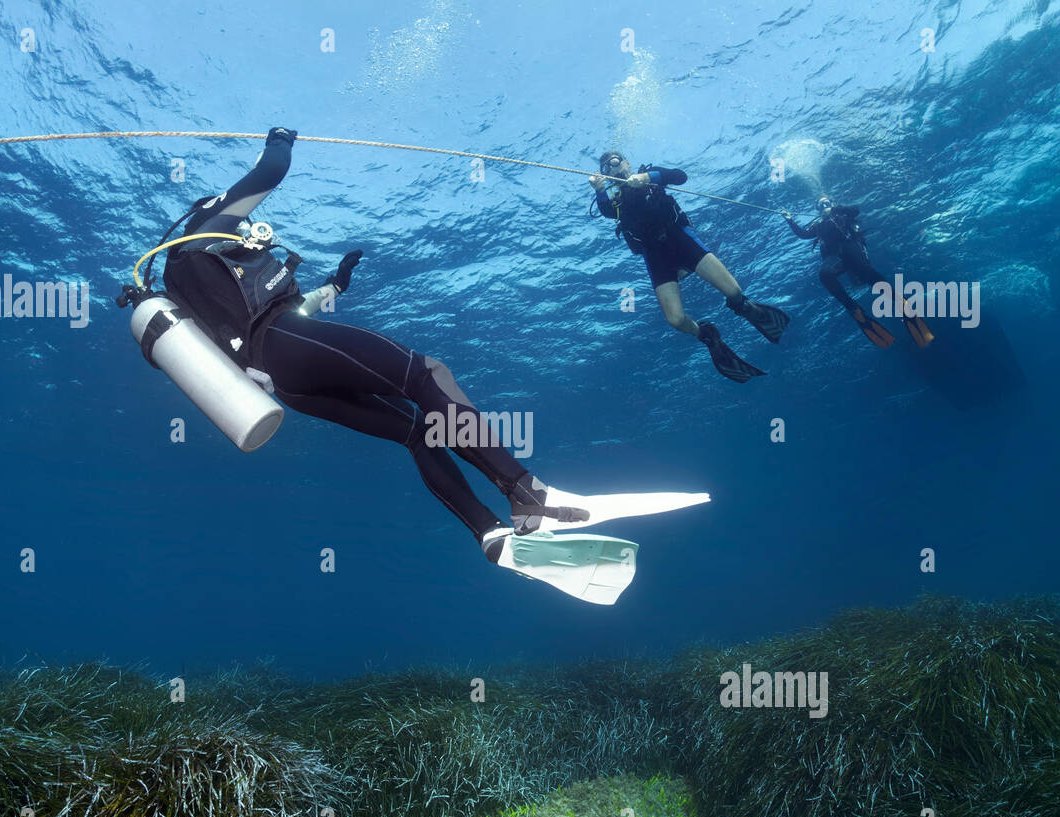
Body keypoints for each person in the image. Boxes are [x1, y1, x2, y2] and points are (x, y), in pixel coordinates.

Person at [156, 127, 591, 567]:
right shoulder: (206, 227)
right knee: (425, 375)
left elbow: (271, 320)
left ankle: (491, 533)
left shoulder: (183, 283)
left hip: (287, 383)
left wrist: (336, 285)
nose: (247, 231)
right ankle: (527, 494)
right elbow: (270, 171)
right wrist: (281, 138)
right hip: (285, 342)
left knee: (418, 435)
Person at [590, 150, 791, 383]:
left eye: (615, 162)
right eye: (606, 168)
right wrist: (599, 190)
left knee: (734, 292)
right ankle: (706, 335)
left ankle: (745, 306)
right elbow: (606, 211)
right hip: (656, 257)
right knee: (675, 320)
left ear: (627, 162)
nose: (612, 168)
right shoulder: (615, 201)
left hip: (681, 240)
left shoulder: (649, 178)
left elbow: (680, 176)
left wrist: (647, 178)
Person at [783, 197, 933, 348]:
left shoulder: (842, 214)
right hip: (835, 259)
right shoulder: (819, 225)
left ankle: (901, 302)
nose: (824, 206)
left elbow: (855, 210)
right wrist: (790, 220)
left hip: (853, 253)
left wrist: (836, 209)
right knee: (824, 275)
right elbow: (803, 234)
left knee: (871, 276)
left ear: (832, 204)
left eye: (826, 203)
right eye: (820, 205)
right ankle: (854, 310)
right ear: (817, 210)